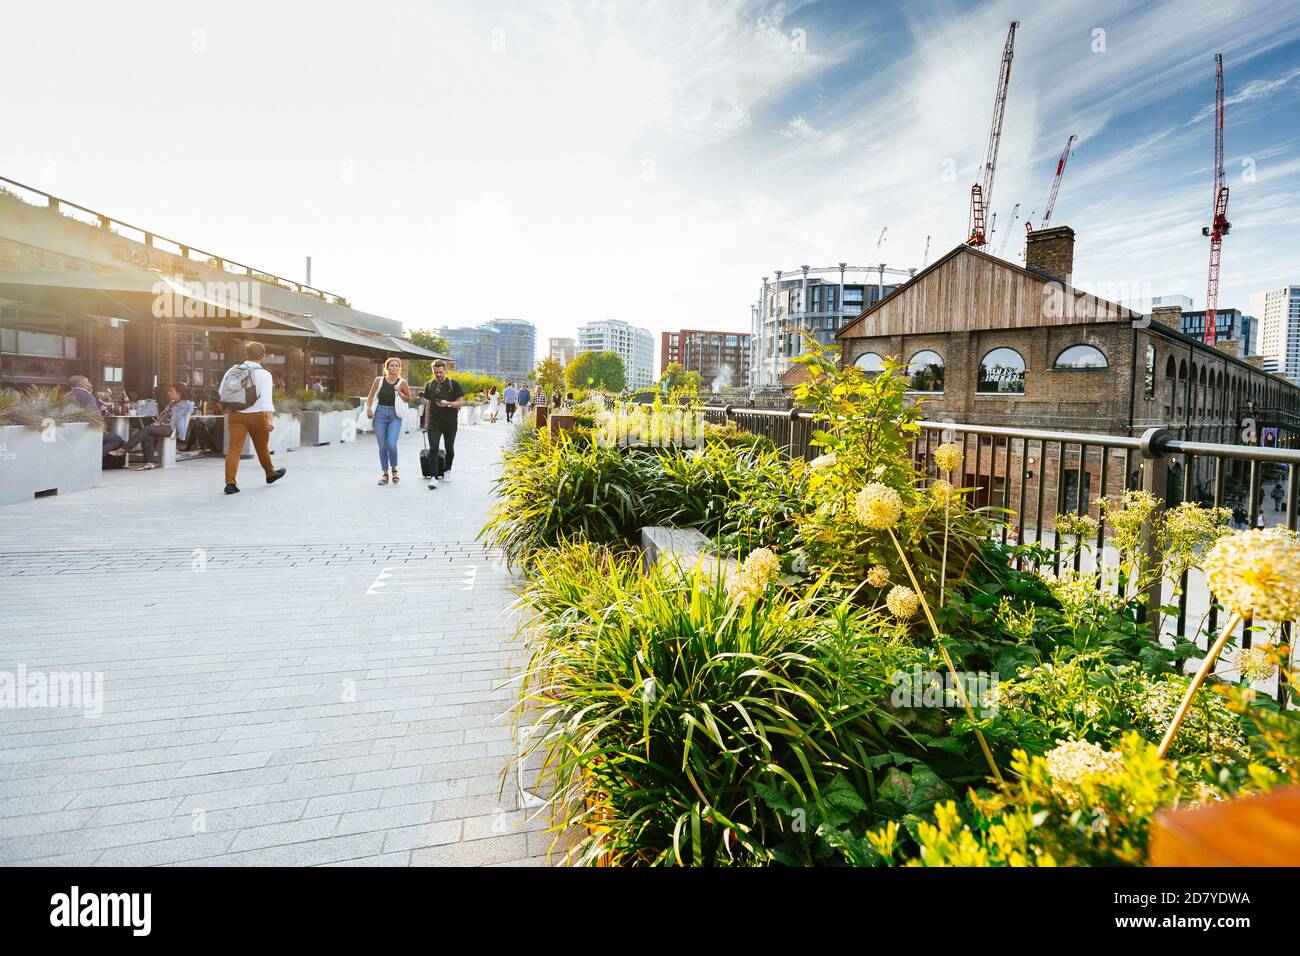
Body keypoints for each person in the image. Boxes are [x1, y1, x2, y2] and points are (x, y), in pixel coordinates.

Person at [221, 341, 286, 495]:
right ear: (263, 356)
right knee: (262, 447)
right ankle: (270, 474)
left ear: (246, 354)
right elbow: (267, 401)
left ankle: (230, 483)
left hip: (236, 415)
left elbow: (221, 391)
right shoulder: (264, 374)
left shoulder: (233, 370)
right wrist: (269, 420)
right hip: (258, 416)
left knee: (234, 449)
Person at [366, 356, 413, 485]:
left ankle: (394, 470)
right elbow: (370, 396)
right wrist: (369, 408)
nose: (394, 368)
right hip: (380, 414)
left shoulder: (402, 382)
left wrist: (400, 393)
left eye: (397, 366)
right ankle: (385, 474)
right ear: (387, 367)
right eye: (392, 365)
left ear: (400, 368)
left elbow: (409, 399)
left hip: (394, 416)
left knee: (391, 444)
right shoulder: (379, 380)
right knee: (382, 447)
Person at [423, 360, 463, 489]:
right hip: (435, 422)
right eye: (435, 372)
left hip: (450, 422)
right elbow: (428, 405)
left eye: (440, 372)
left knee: (449, 448)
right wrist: (426, 423)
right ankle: (433, 477)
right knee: (433, 449)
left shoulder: (453, 384)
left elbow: (460, 403)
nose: (438, 374)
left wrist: (448, 404)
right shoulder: (429, 385)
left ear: (445, 370)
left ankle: (447, 470)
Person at [67, 375, 126, 460]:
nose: (89, 384)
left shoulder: (67, 395)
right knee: (117, 439)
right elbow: (94, 413)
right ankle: (94, 459)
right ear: (83, 384)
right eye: (87, 382)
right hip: (86, 430)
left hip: (72, 430)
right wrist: (100, 426)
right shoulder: (86, 395)